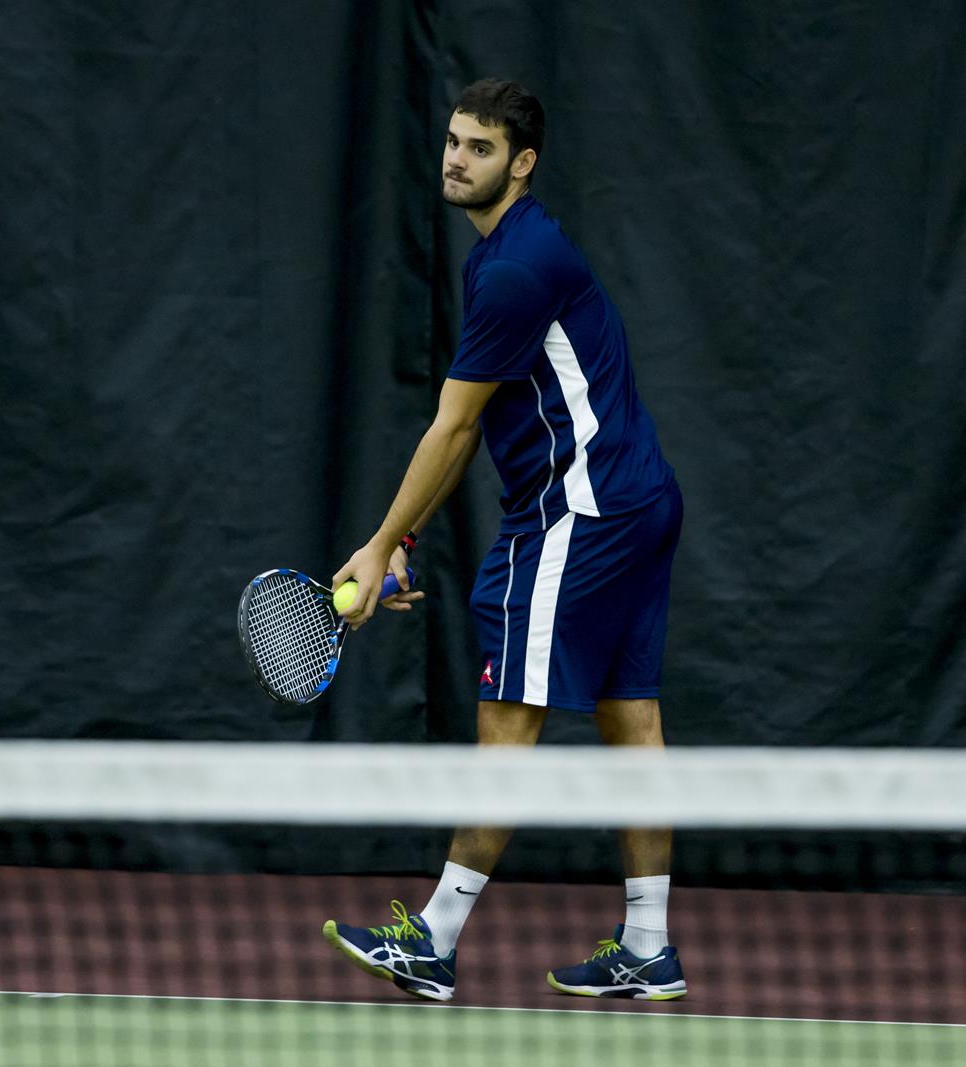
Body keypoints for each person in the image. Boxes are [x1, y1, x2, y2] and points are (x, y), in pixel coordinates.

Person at [321, 79, 687, 1004]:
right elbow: (474, 427)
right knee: (631, 718)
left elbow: (451, 426)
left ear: (521, 163)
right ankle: (649, 945)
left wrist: (378, 545)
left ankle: (434, 941)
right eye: (452, 141)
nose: (456, 159)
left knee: (509, 721)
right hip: (638, 500)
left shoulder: (515, 269)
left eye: (479, 148)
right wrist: (405, 536)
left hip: (579, 511)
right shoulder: (509, 254)